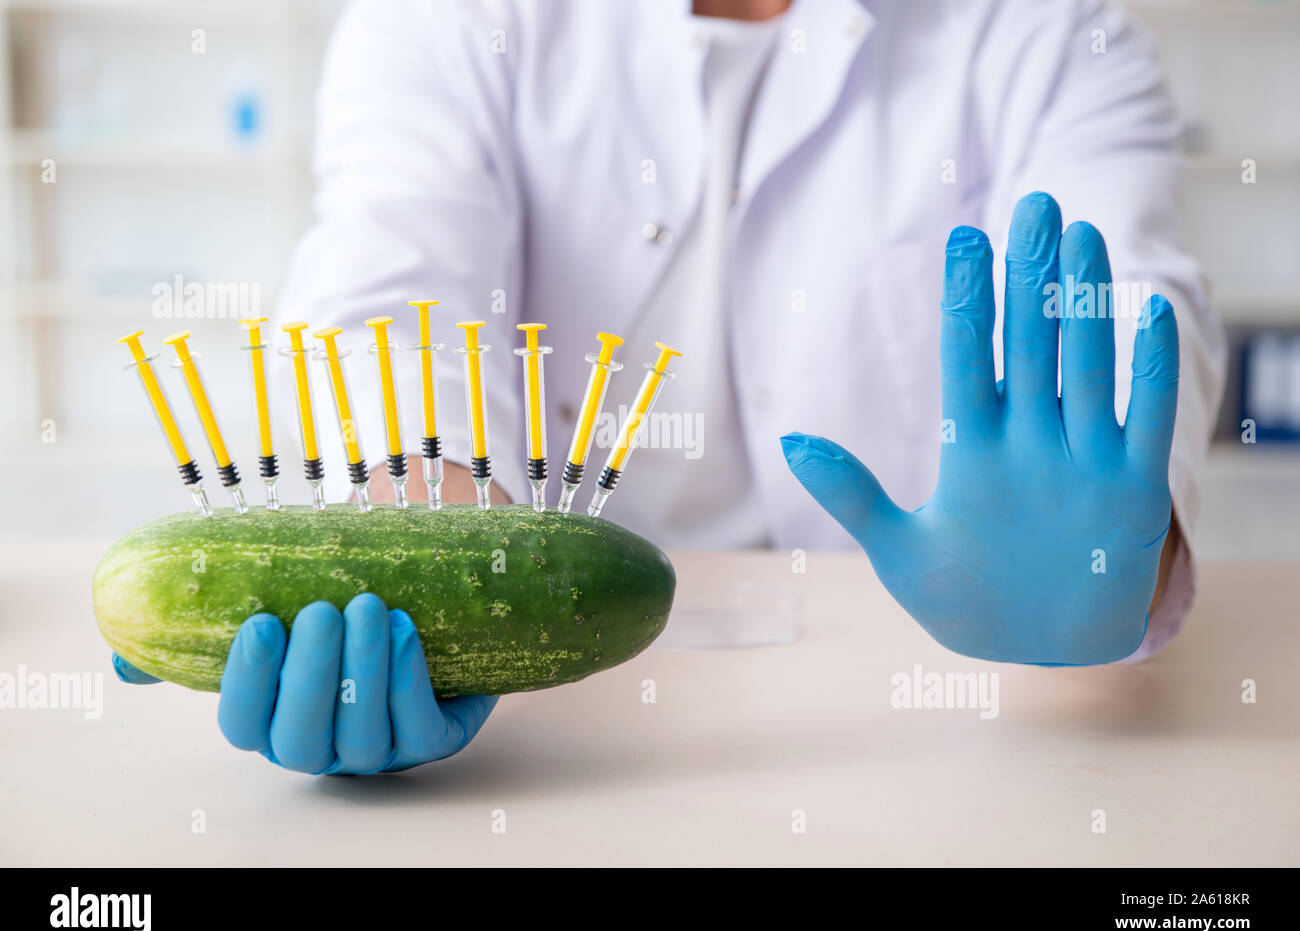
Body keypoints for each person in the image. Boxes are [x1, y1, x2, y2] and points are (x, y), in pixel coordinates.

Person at [116, 0, 1224, 773]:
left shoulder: (1051, 35)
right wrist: (422, 518)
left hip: (940, 707)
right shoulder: (443, 16)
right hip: (566, 717)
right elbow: (394, 287)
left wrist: (1111, 550)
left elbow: (1128, 293)